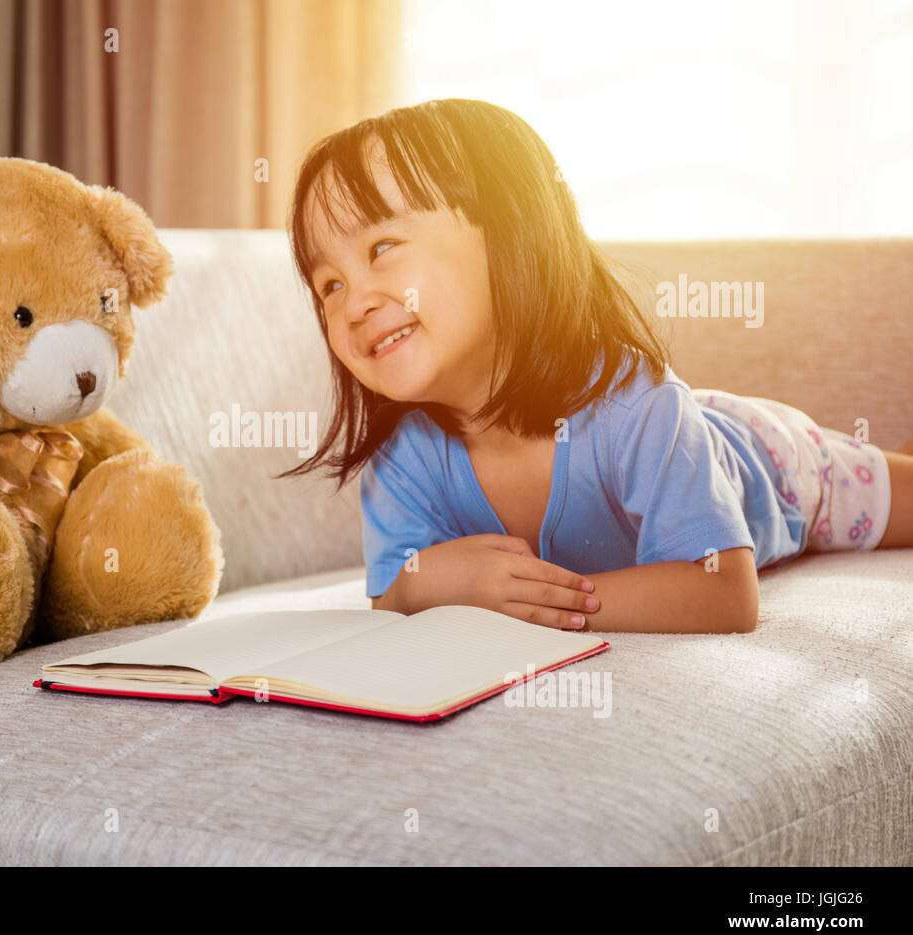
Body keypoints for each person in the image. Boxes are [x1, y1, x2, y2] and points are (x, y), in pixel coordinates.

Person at [277, 98, 911, 634]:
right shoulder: (400, 458)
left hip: (772, 459)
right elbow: (390, 599)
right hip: (697, 425)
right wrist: (419, 590)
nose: (354, 301)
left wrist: (533, 604)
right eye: (328, 283)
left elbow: (725, 594)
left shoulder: (636, 407)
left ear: (509, 236)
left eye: (382, 247)